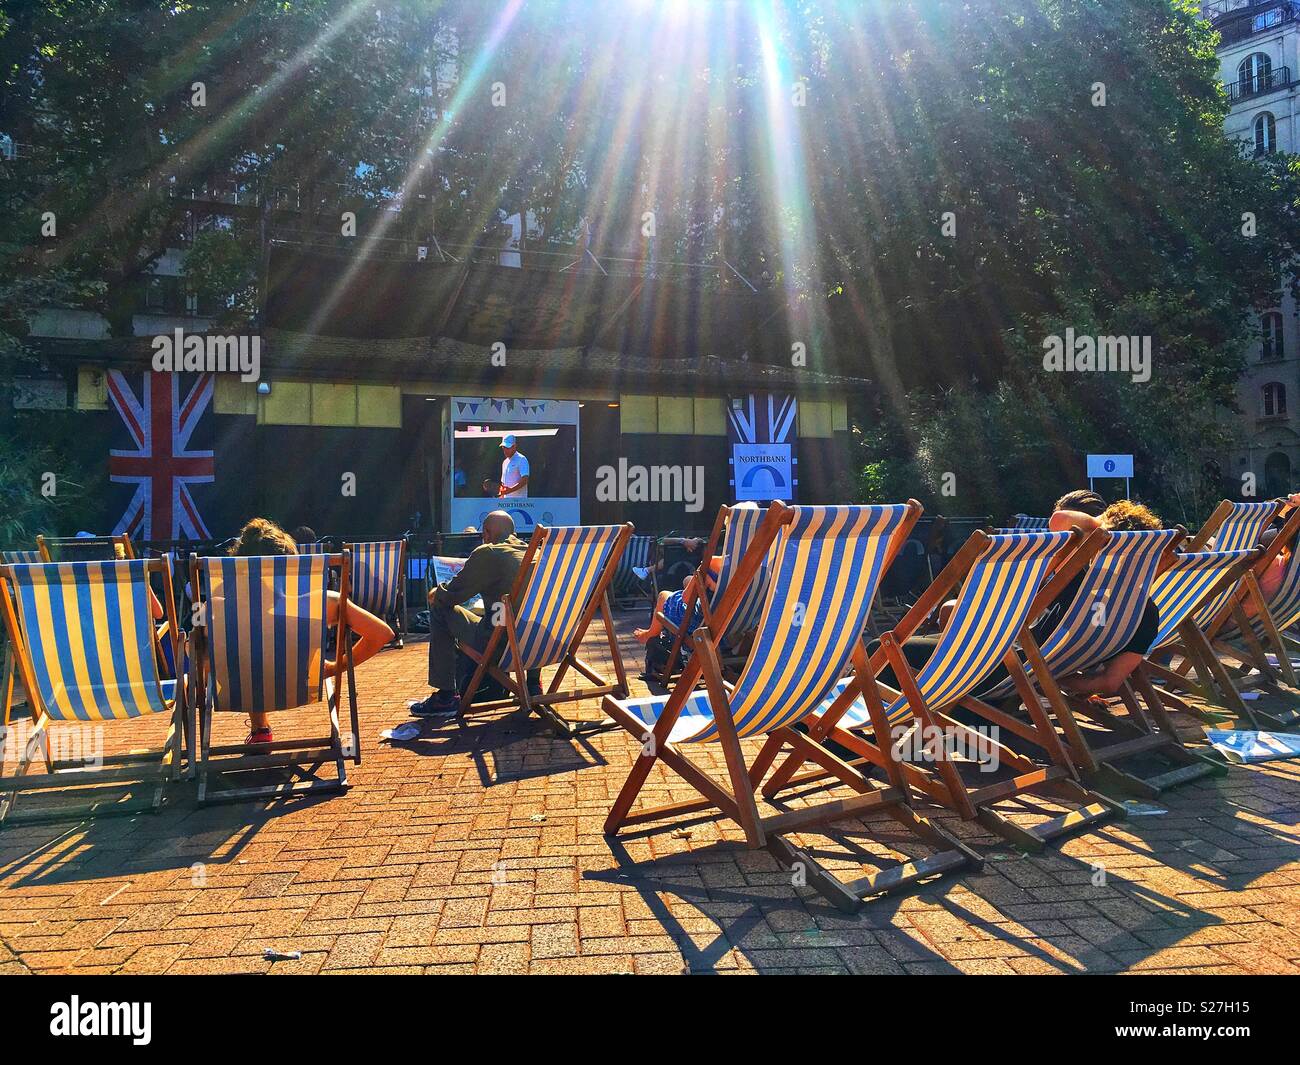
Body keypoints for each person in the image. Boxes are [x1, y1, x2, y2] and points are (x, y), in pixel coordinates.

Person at [228, 518, 394, 744]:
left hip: (241, 690)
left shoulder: (220, 608)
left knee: (249, 661)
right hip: (301, 685)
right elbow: (382, 634)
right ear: (289, 566)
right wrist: (337, 667)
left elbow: (194, 653)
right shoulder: (324, 603)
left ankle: (260, 731)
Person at [408, 509, 532, 719]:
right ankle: (533, 684)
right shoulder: (532, 552)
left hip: (501, 644)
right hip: (536, 643)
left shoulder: (489, 552)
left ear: (486, 532)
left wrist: (435, 594)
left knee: (440, 610)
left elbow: (449, 597)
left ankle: (446, 697)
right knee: (491, 615)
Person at [634, 554, 722, 645]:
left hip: (704, 631)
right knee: (687, 580)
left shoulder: (714, 563)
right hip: (728, 635)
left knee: (663, 596)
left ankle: (650, 634)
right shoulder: (734, 571)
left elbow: (686, 599)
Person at [498, 434, 529, 498]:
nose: (505, 450)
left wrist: (510, 490)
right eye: (504, 447)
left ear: (514, 446)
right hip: (506, 504)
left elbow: (525, 480)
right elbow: (503, 484)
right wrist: (501, 497)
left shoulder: (522, 459)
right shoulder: (505, 462)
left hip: (519, 503)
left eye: (507, 447)